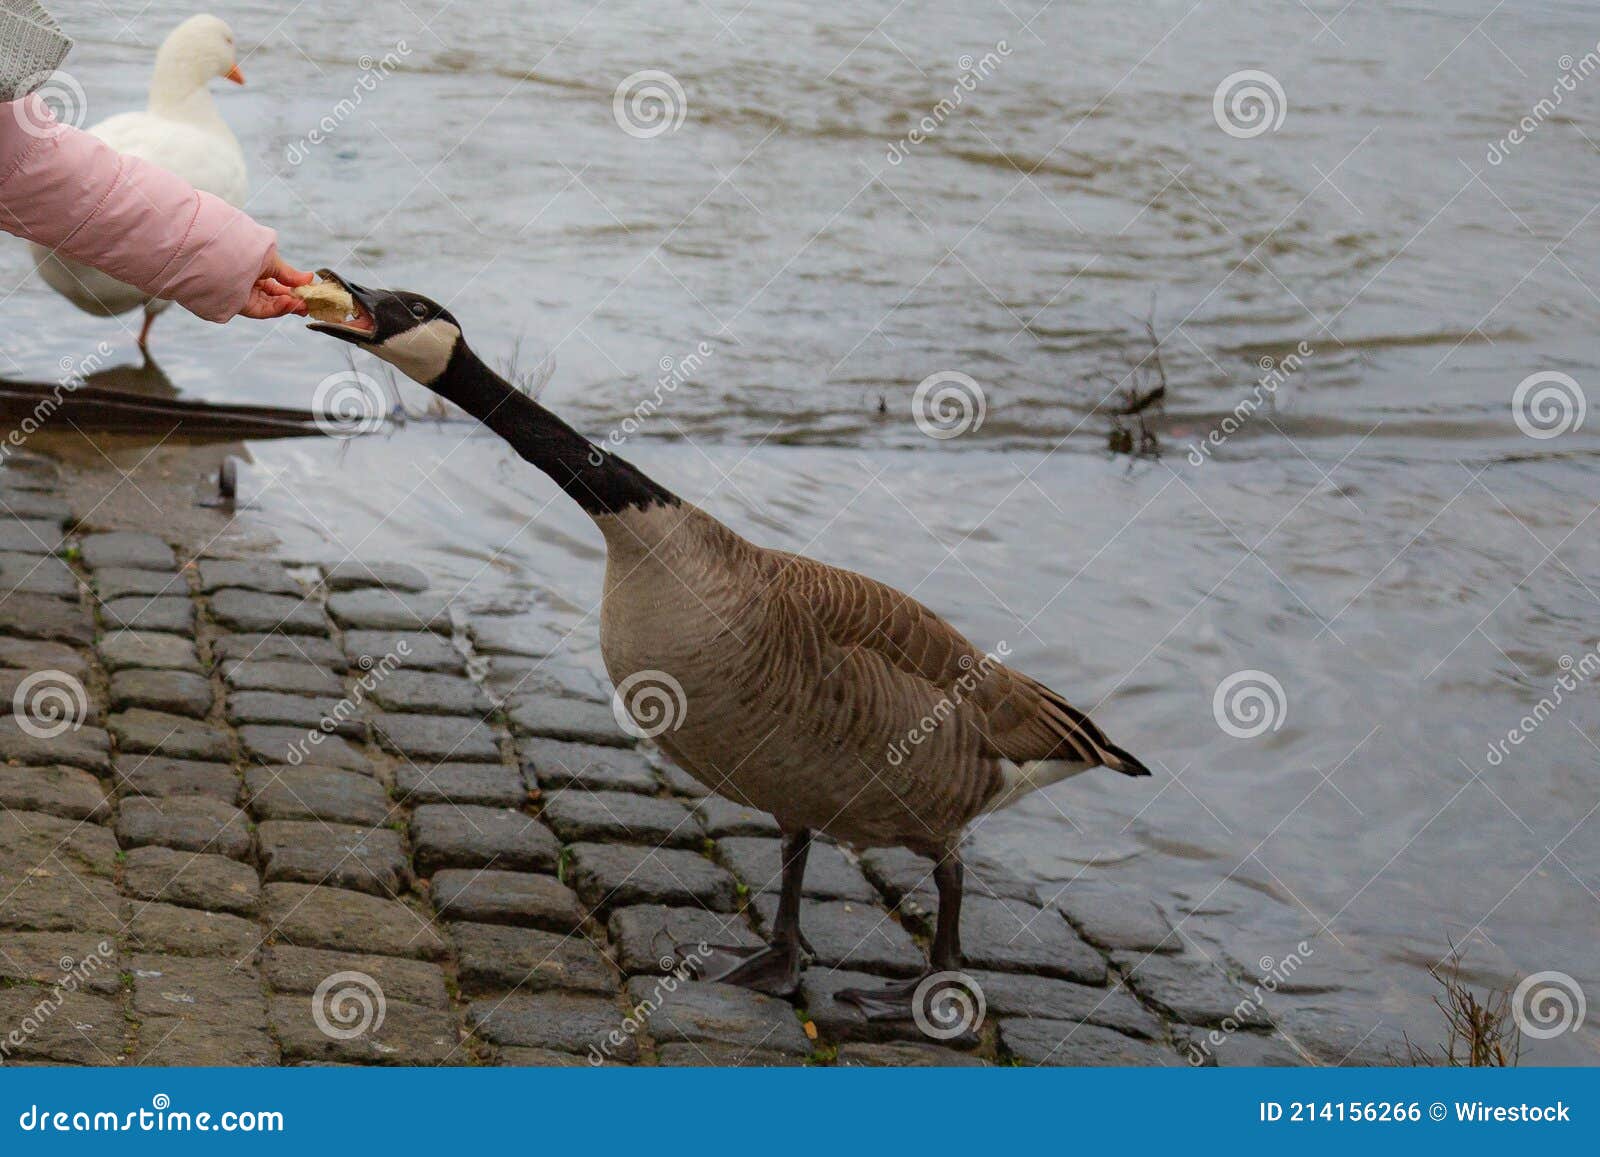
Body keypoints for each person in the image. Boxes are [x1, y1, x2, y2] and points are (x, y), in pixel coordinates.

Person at [0, 1, 310, 326]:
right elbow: (52, 177)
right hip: (113, 258)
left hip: (52, 257)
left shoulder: (113, 126)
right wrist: (233, 261)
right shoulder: (214, 153)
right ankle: (144, 348)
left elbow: (43, 176)